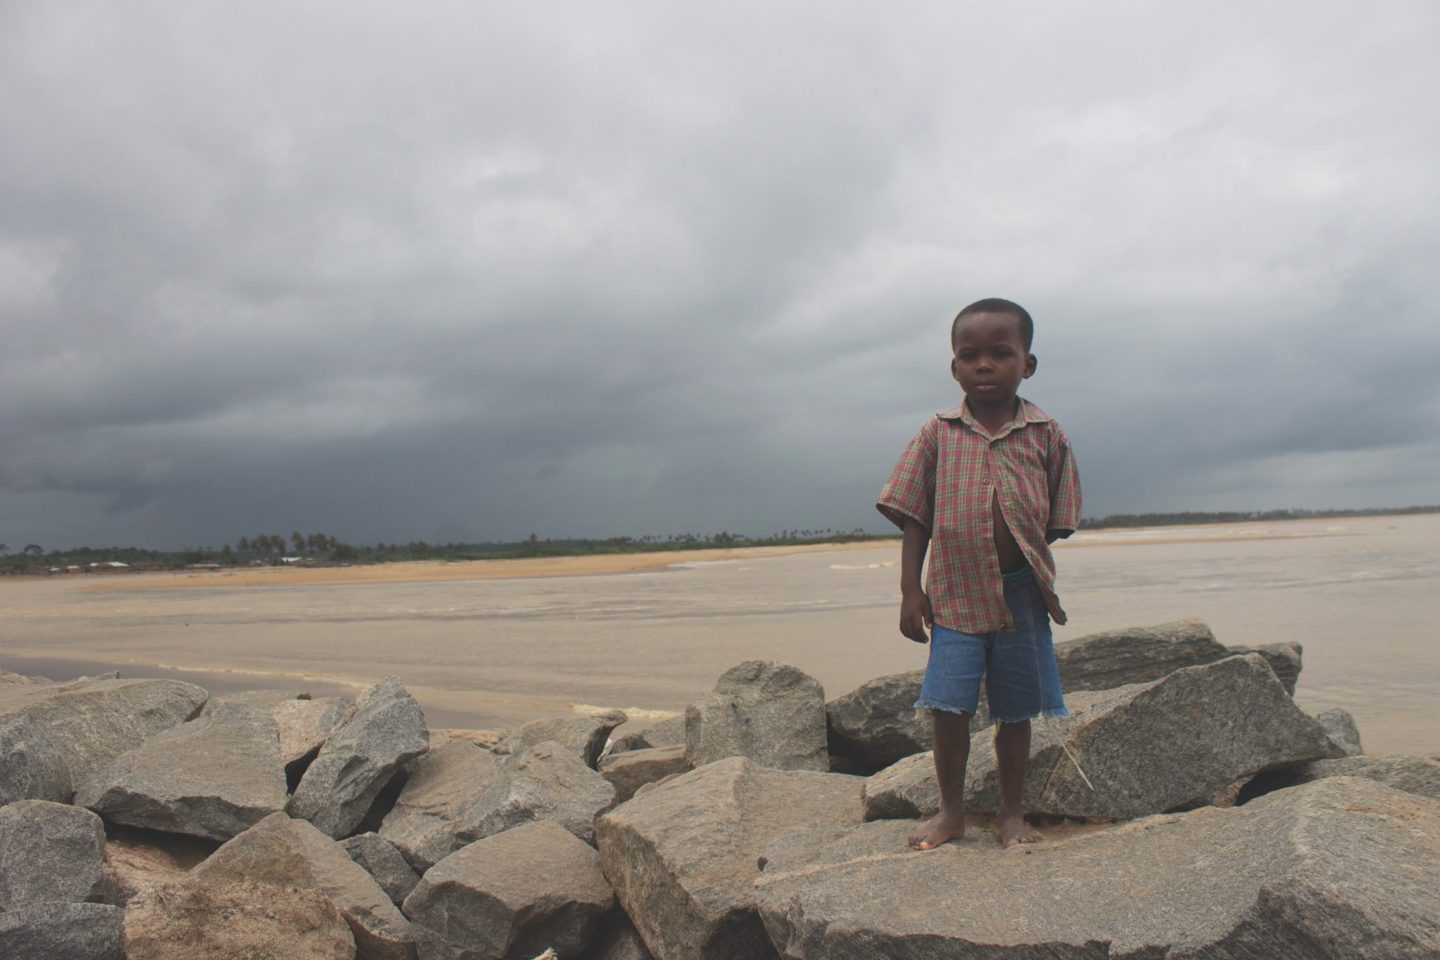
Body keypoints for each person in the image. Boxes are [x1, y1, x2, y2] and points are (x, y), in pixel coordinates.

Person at [876, 297, 1081, 849]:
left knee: (1016, 712)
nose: (984, 365)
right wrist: (909, 591)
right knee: (948, 706)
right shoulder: (937, 434)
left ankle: (1012, 815)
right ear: (955, 367)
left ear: (1027, 364)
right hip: (955, 599)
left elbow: (1059, 517)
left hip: (1023, 601)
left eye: (1001, 354)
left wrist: (1014, 544)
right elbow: (914, 514)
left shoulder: (1046, 434)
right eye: (970, 356)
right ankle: (951, 813)